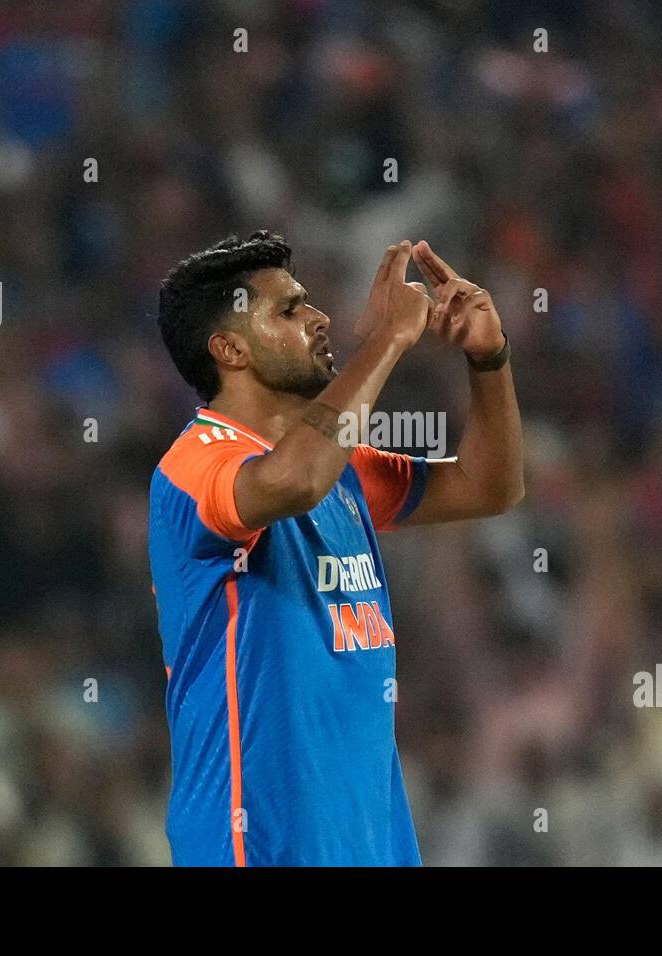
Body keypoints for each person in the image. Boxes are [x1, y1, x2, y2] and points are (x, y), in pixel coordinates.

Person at [150, 232, 523, 865]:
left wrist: (488, 359)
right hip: (258, 841)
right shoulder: (193, 467)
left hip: (371, 840)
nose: (320, 318)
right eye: (289, 310)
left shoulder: (342, 470)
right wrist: (388, 341)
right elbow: (293, 481)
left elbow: (490, 486)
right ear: (229, 348)